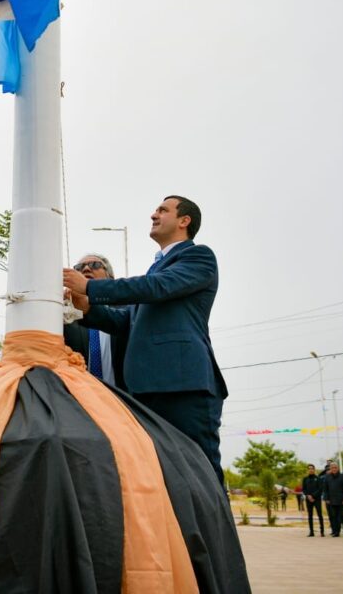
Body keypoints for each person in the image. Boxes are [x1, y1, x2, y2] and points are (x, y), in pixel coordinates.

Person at [64, 195, 227, 485]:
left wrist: (90, 287)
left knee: (198, 473)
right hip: (145, 391)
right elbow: (127, 321)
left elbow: (156, 286)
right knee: (161, 477)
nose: (154, 215)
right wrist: (86, 307)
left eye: (163, 210)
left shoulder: (198, 257)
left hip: (183, 385)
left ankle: (215, 518)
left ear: (184, 220)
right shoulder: (156, 268)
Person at [62, 254, 125, 386]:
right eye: (79, 268)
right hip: (79, 394)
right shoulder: (65, 315)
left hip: (123, 395)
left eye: (95, 265)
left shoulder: (126, 311)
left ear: (110, 278)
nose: (86, 269)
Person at [301, 464, 324, 537]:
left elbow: (320, 489)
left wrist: (313, 496)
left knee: (320, 515)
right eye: (309, 469)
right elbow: (304, 489)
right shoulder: (305, 479)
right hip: (308, 499)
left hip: (317, 499)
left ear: (314, 470)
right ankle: (311, 532)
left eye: (312, 469)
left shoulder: (318, 478)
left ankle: (322, 531)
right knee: (310, 515)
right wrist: (308, 495)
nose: (311, 470)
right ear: (307, 470)